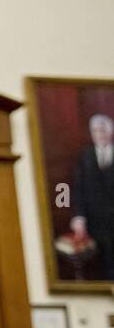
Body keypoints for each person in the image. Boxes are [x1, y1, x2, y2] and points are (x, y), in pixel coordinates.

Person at [69, 113, 114, 279]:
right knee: (99, 266)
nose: (99, 135)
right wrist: (78, 217)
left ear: (110, 132)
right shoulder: (85, 157)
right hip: (93, 221)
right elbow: (76, 188)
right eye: (95, 131)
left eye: (102, 131)